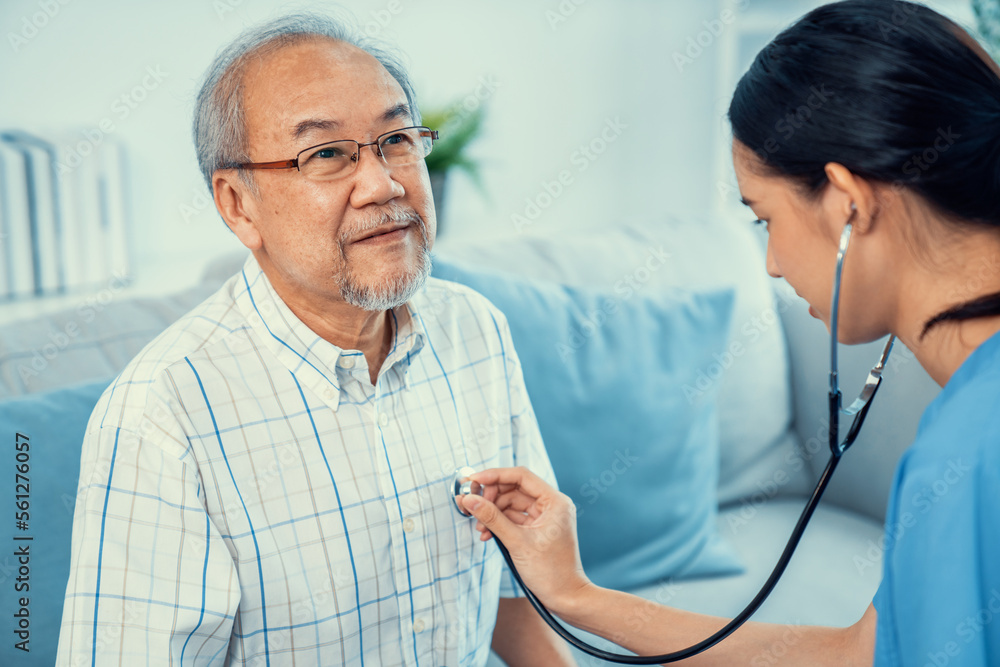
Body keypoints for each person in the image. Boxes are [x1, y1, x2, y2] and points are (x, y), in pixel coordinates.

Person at [459, 1, 1000, 664]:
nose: (771, 263)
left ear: (846, 201)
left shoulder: (966, 452)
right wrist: (576, 594)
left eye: (763, 218)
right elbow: (865, 650)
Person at [55, 13, 574, 667]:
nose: (384, 183)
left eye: (396, 139)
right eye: (327, 154)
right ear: (239, 206)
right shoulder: (161, 416)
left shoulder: (475, 327)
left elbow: (513, 583)